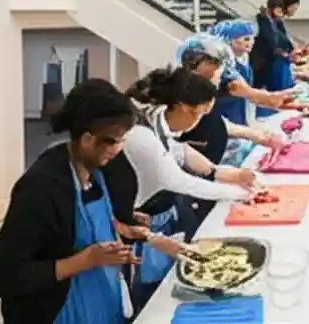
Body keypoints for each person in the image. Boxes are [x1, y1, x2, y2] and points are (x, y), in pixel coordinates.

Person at [103, 64, 256, 309]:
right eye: (200, 114)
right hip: (128, 218)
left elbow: (180, 151)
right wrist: (239, 194)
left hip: (144, 215)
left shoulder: (156, 119)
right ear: (185, 107)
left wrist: (224, 173)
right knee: (142, 296)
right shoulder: (141, 135)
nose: (199, 122)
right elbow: (177, 180)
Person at [0, 80, 139, 324]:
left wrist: (120, 229)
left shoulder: (100, 170)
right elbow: (6, 277)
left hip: (100, 305)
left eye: (123, 140)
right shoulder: (41, 187)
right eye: (113, 141)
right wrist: (85, 260)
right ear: (87, 139)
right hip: (56, 312)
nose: (118, 149)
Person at [252, 0, 300, 116]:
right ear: (279, 9)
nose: (294, 12)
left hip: (272, 66)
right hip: (263, 68)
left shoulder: (276, 21)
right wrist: (287, 53)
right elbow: (271, 44)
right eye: (292, 9)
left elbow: (285, 42)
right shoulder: (262, 23)